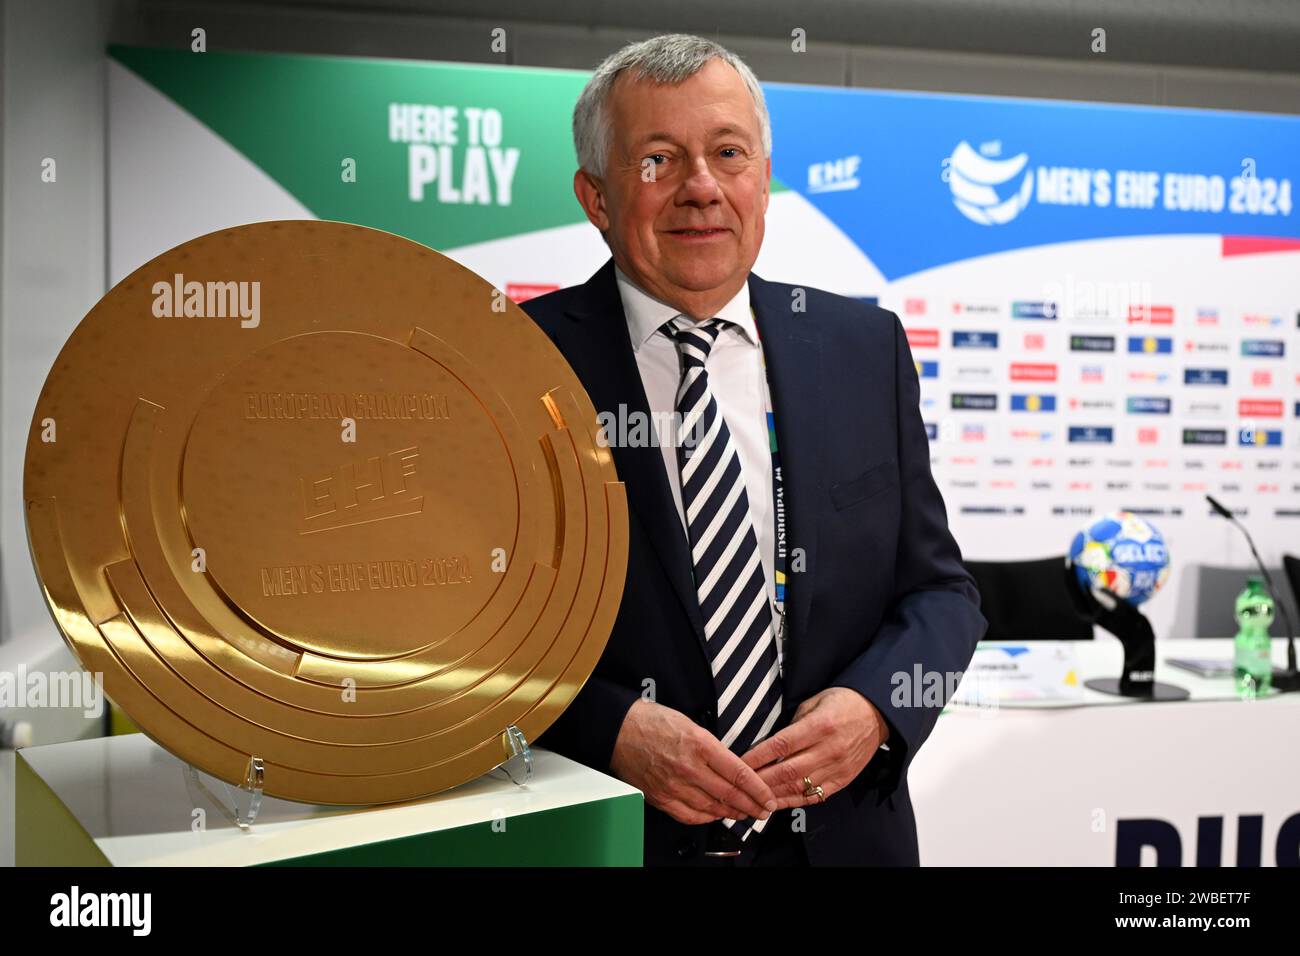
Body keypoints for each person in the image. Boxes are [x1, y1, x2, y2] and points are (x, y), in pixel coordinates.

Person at [521, 33, 986, 866]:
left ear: (762, 180)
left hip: (843, 838)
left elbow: (942, 593)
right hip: (612, 838)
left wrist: (877, 708)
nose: (700, 188)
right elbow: (465, 637)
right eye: (658, 159)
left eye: (727, 153)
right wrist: (609, 727)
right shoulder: (514, 364)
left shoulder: (862, 347)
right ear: (596, 197)